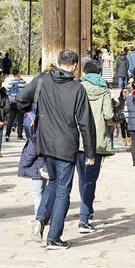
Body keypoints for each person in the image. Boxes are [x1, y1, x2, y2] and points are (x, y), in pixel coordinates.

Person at [17, 49, 95, 250]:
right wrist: (90, 152)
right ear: (75, 65)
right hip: (66, 144)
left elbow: (20, 100)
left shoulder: (42, 80)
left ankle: (41, 219)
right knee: (63, 190)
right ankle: (54, 237)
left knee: (52, 182)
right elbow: (86, 123)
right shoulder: (77, 89)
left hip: (45, 142)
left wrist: (39, 112)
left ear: (58, 62)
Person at [77, 58, 114, 234]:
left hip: (78, 139)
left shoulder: (78, 88)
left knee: (82, 177)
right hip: (97, 139)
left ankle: (86, 211)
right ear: (99, 73)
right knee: (91, 178)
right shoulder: (104, 90)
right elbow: (108, 114)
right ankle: (84, 217)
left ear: (84, 72)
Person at [16, 100, 48, 233]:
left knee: (37, 192)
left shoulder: (32, 117)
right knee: (44, 189)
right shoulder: (46, 115)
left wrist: (26, 162)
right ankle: (45, 215)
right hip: (48, 158)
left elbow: (33, 146)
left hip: (37, 162)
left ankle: (39, 217)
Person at [6, 68, 26, 140]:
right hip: (20, 103)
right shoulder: (22, 82)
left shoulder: (10, 82)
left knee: (10, 120)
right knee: (20, 120)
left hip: (12, 103)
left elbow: (8, 92)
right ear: (18, 74)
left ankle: (7, 134)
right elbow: (26, 91)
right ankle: (19, 135)